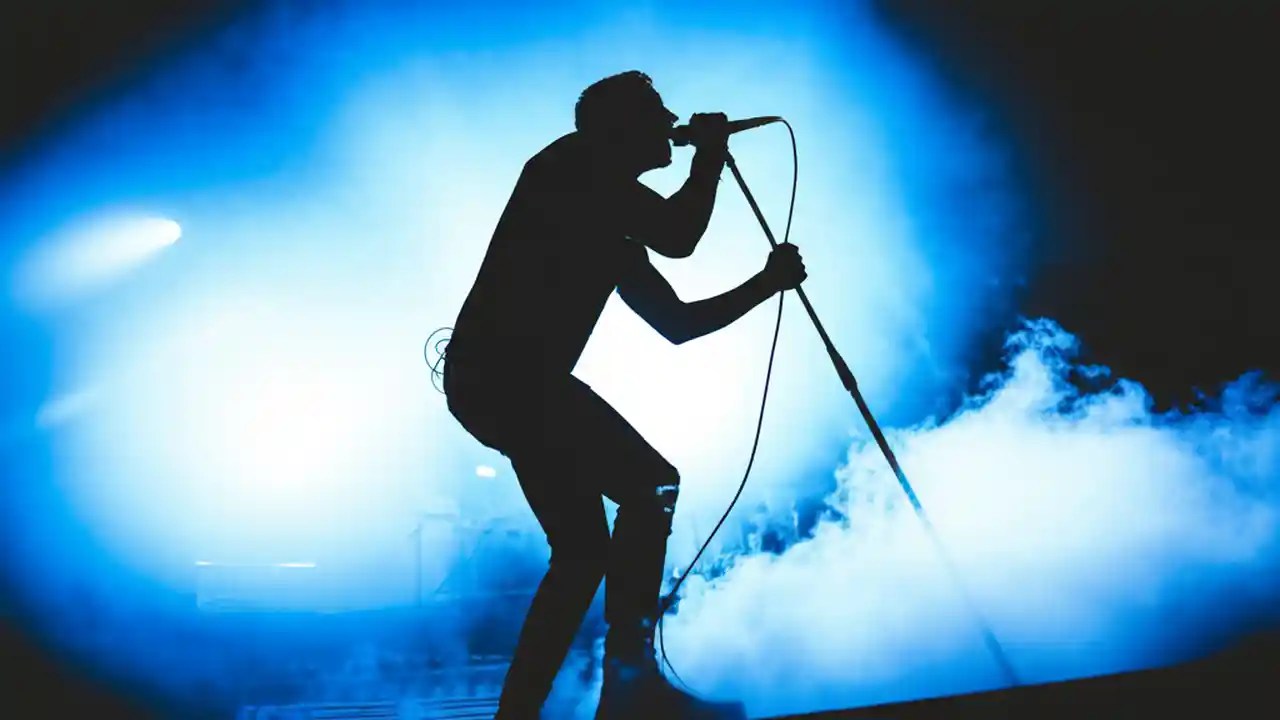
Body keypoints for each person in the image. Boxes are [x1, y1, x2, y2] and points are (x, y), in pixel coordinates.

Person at [443, 70, 806, 719]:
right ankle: (628, 687)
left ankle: (528, 709)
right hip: (512, 378)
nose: (670, 121)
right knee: (650, 486)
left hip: (503, 382)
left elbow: (677, 323)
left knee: (582, 552)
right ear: (621, 129)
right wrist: (710, 158)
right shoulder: (571, 168)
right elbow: (680, 235)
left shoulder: (607, 222)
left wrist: (765, 283)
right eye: (656, 112)